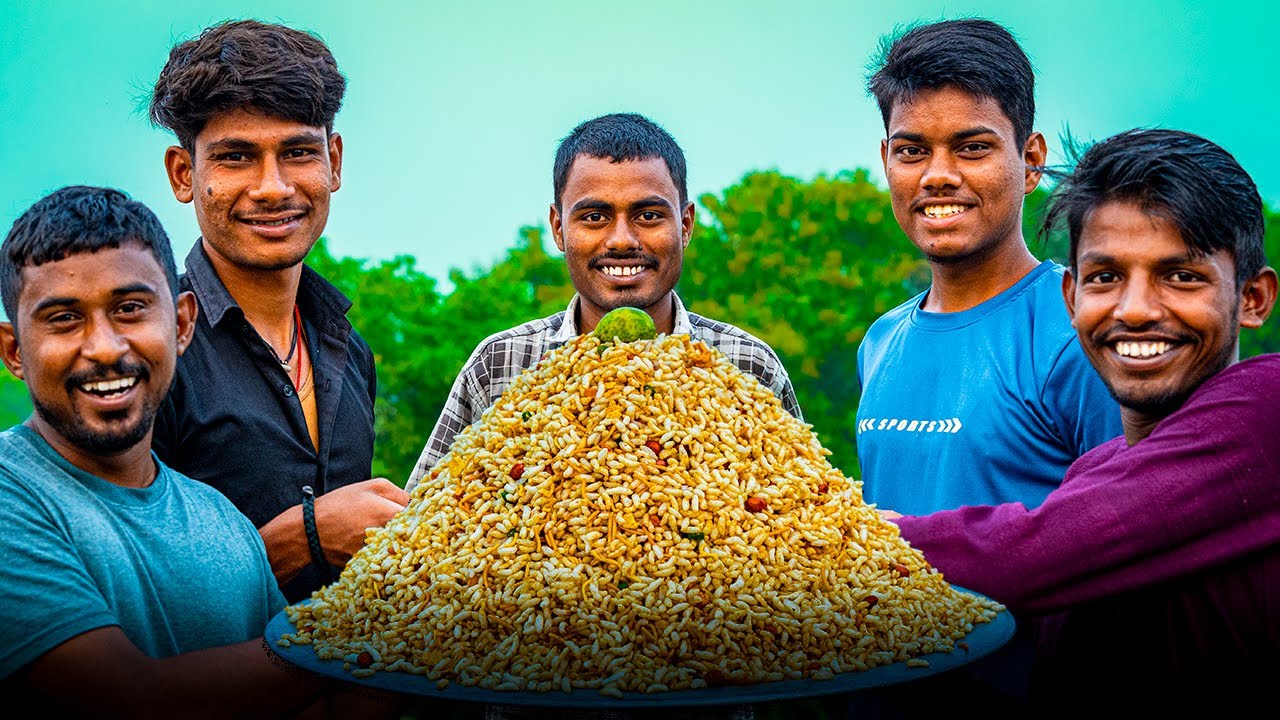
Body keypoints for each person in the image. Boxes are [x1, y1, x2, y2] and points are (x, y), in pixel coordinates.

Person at [889, 128, 1280, 713]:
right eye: (1105, 277)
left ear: (1253, 298)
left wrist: (840, 538)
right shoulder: (1095, 470)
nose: (1136, 310)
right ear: (1070, 299)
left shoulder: (1267, 410)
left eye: (1182, 276)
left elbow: (1023, 555)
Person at [854, 19, 1123, 714]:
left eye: (972, 147)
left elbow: (1126, 556)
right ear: (886, 159)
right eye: (912, 150)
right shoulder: (880, 341)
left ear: (1030, 159)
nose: (938, 175)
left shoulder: (1081, 334)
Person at [0, 185, 323, 715]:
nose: (104, 347)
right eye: (63, 318)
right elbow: (125, 697)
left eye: (130, 309)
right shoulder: (13, 496)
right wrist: (341, 639)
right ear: (14, 351)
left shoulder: (224, 521)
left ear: (181, 324)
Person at [148, 19, 408, 602]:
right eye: (237, 156)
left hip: (344, 686)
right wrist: (305, 538)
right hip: (203, 692)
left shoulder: (350, 349)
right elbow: (125, 591)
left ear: (334, 162)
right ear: (184, 174)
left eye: (297, 152)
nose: (272, 187)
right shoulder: (150, 351)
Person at [406, 112, 801, 491]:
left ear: (685, 225)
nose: (622, 240)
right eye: (595, 217)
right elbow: (421, 525)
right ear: (559, 228)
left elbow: (814, 519)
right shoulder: (500, 364)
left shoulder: (748, 364)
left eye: (648, 215)